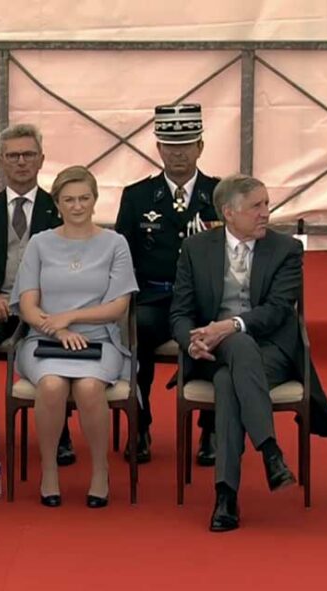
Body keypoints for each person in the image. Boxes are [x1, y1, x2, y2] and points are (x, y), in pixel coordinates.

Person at [169, 173, 327, 532]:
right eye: (256, 206)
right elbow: (180, 313)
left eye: (266, 204)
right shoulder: (195, 248)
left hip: (271, 350)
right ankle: (269, 451)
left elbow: (278, 310)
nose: (266, 213)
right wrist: (191, 341)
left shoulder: (286, 249)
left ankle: (225, 496)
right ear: (229, 212)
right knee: (232, 360)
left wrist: (230, 326)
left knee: (229, 378)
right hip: (210, 351)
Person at [12, 166, 137, 508]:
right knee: (52, 385)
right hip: (44, 339)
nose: (77, 206)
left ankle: (100, 471)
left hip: (99, 340)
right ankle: (49, 470)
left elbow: (119, 306)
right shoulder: (39, 243)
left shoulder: (115, 243)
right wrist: (59, 329)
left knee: (89, 387)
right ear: (57, 204)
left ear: (95, 200)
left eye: (84, 198)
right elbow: (27, 305)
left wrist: (73, 317)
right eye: (69, 200)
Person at [116, 103, 222, 465]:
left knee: (218, 333)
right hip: (156, 297)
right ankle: (140, 424)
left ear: (200, 147)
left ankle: (211, 428)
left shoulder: (220, 193)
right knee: (138, 331)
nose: (178, 153)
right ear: (159, 148)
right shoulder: (137, 196)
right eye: (171, 146)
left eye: (186, 145)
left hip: (205, 301)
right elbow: (123, 256)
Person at [0, 123, 73, 466]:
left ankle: (60, 436)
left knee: (60, 341)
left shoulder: (62, 209)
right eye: (13, 156)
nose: (21, 162)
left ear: (42, 159)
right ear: (1, 160)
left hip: (47, 306)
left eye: (28, 154)